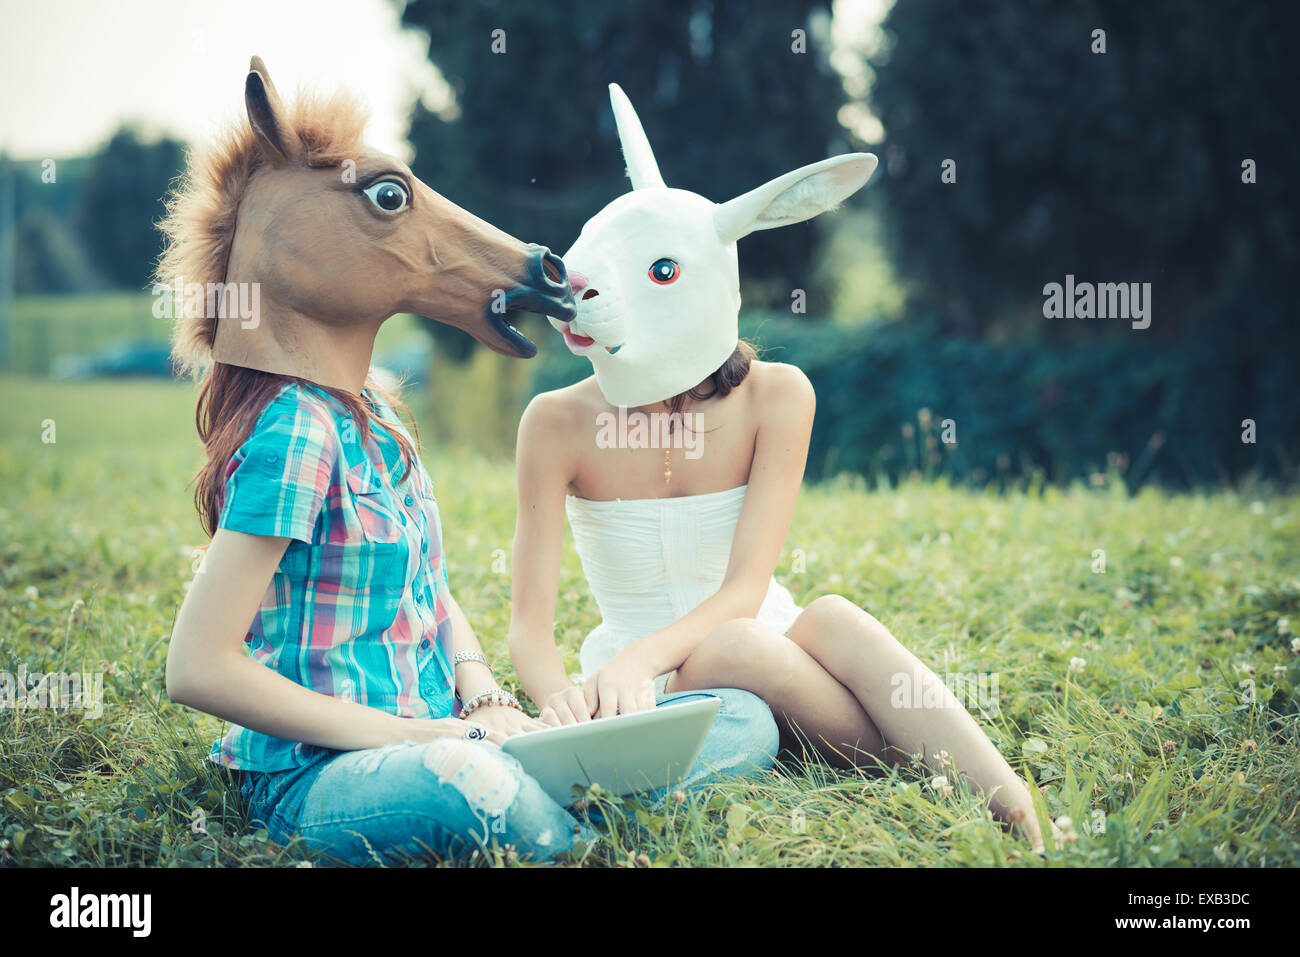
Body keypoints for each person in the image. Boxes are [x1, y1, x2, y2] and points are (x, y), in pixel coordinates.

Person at [507, 84, 1047, 852]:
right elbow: (529, 628)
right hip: (646, 690)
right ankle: (918, 766)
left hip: (741, 640)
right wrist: (566, 705)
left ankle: (1008, 796)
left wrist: (641, 653)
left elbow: (746, 592)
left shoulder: (779, 395)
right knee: (739, 648)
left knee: (824, 615)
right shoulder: (555, 422)